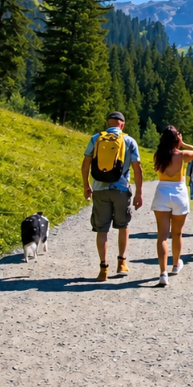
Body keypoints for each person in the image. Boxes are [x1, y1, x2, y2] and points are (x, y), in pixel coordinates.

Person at [81, 112, 144, 282]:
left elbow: (86, 164)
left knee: (102, 230)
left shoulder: (96, 138)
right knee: (123, 225)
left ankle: (103, 268)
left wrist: (86, 185)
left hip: (100, 190)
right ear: (122, 125)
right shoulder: (129, 141)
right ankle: (121, 263)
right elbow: (138, 169)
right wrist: (139, 193)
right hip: (121, 189)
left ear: (108, 123)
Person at [151, 125, 193, 287]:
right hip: (179, 193)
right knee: (177, 233)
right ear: (176, 139)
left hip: (162, 192)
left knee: (162, 236)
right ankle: (175, 265)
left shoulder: (158, 155)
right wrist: (184, 143)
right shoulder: (182, 155)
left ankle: (162, 273)